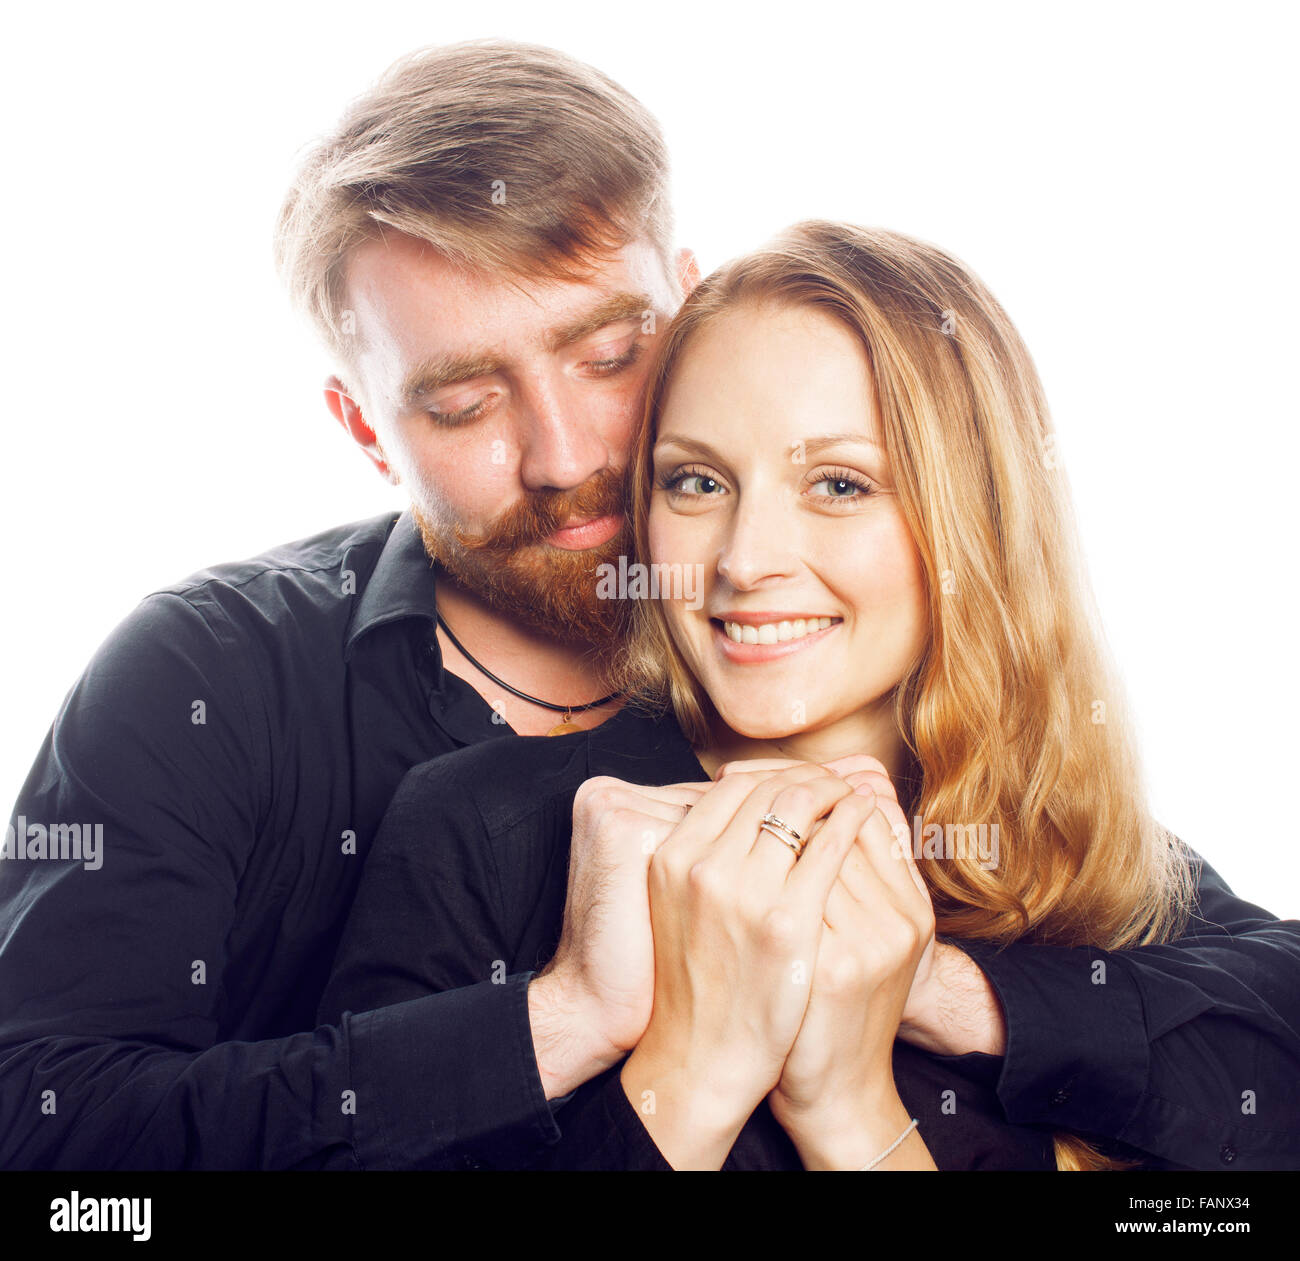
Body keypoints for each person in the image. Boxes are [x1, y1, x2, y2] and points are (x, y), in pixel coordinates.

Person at [0, 40, 1296, 1171]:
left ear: (686, 306)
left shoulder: (868, 706)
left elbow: (1244, 1017)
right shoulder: (219, 681)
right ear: (362, 424)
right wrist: (570, 1019)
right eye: (462, 401)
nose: (566, 454)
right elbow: (42, 1127)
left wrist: (926, 993)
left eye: (611, 357)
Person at [317, 221, 1299, 1170]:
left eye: (837, 485)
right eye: (696, 482)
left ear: (971, 520)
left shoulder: (1082, 853)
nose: (745, 562)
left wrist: (929, 1007)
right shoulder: (482, 830)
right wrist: (688, 1076)